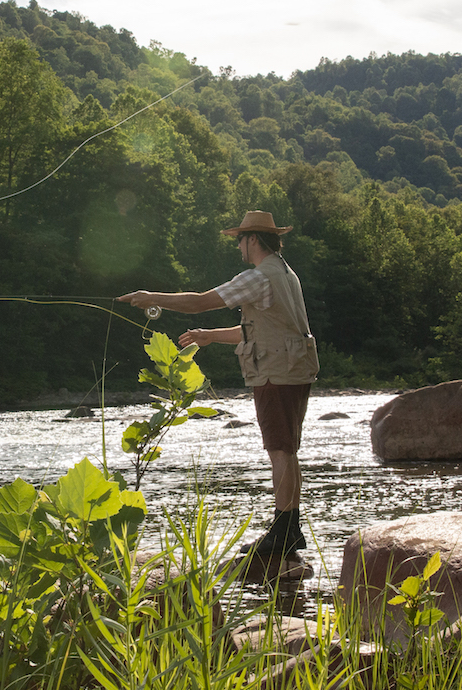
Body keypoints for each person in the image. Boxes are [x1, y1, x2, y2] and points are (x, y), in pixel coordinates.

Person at [118, 210, 319, 555]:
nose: (239, 245)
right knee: (287, 449)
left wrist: (152, 296)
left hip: (275, 374)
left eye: (240, 239)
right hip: (294, 369)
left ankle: (284, 531)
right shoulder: (286, 273)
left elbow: (199, 302)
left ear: (253, 239)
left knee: (279, 451)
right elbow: (265, 328)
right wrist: (209, 336)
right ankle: (290, 527)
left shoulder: (258, 276)